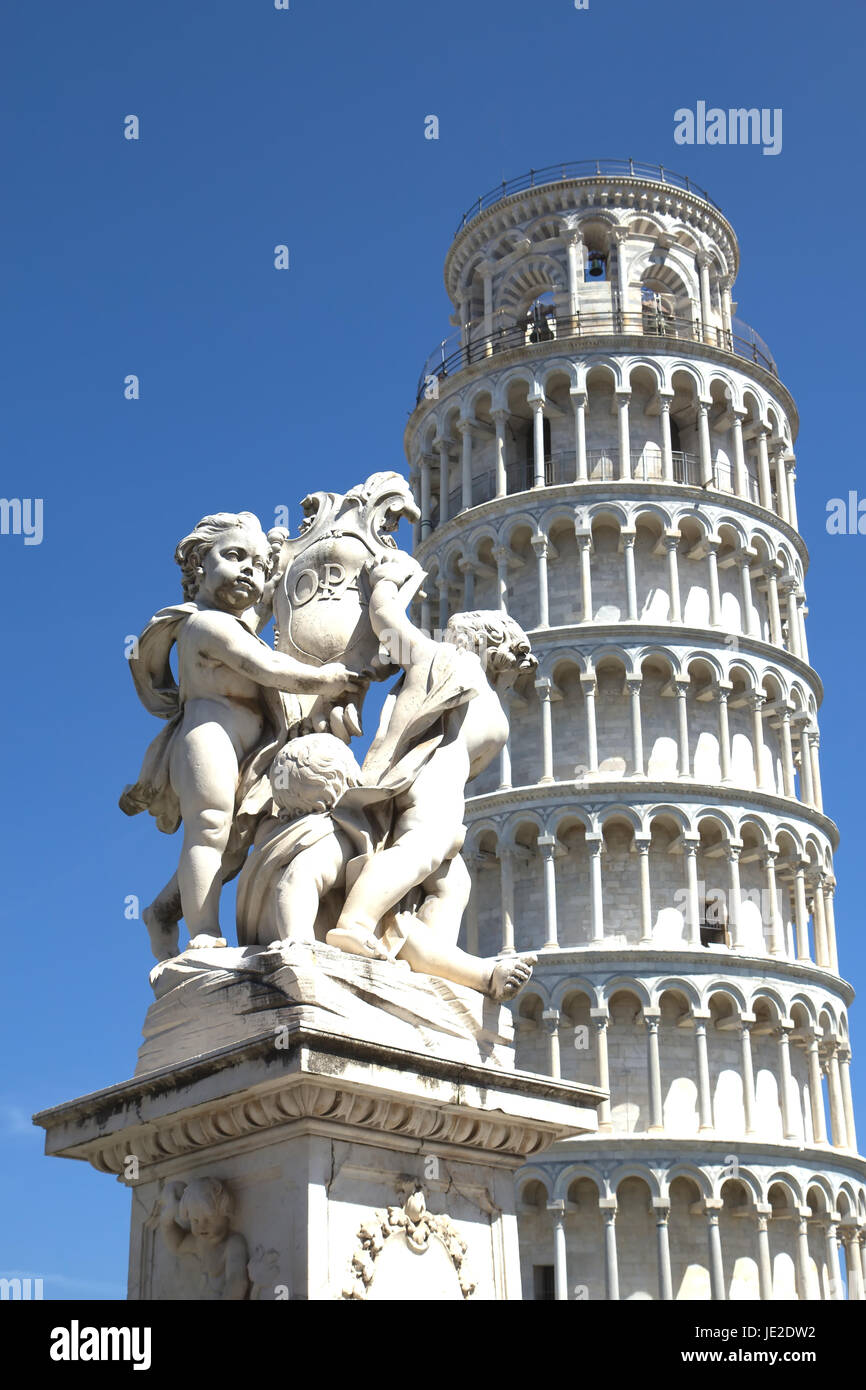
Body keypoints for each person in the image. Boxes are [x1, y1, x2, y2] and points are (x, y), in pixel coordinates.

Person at [119, 511, 359, 959]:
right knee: (209, 828)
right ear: (198, 568)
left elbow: (264, 620)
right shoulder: (203, 625)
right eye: (234, 556)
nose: (249, 568)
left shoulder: (241, 625)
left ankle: (161, 911)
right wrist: (325, 679)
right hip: (208, 734)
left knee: (231, 849)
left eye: (258, 563)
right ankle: (205, 932)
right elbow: (265, 668)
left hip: (254, 747)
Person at [325, 552, 538, 1001]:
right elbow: (388, 622)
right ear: (487, 641)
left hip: (447, 793)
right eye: (514, 651)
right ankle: (356, 923)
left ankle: (429, 969)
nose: (520, 664)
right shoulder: (443, 657)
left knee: (451, 882)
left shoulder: (478, 683)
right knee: (420, 851)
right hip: (428, 783)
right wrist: (386, 579)